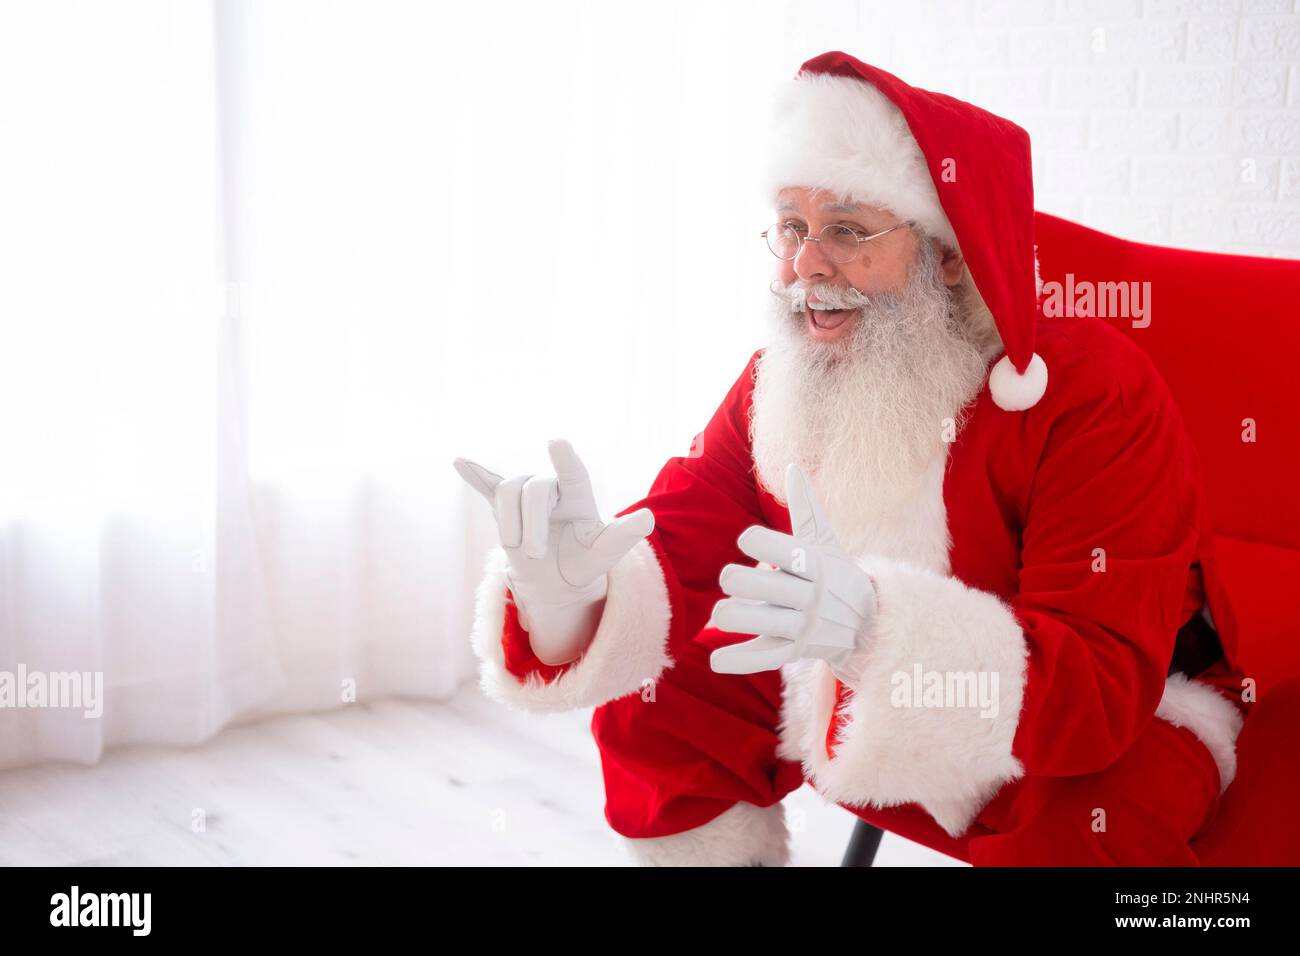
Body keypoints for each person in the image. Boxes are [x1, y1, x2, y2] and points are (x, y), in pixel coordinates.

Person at [454, 51, 1298, 866]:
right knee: (662, 708)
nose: (804, 267)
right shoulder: (783, 377)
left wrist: (877, 636)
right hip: (850, 666)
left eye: (847, 231)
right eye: (791, 228)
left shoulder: (1095, 392)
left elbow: (1100, 686)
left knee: (1088, 825)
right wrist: (572, 602)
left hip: (1111, 711)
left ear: (948, 255)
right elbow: (687, 543)